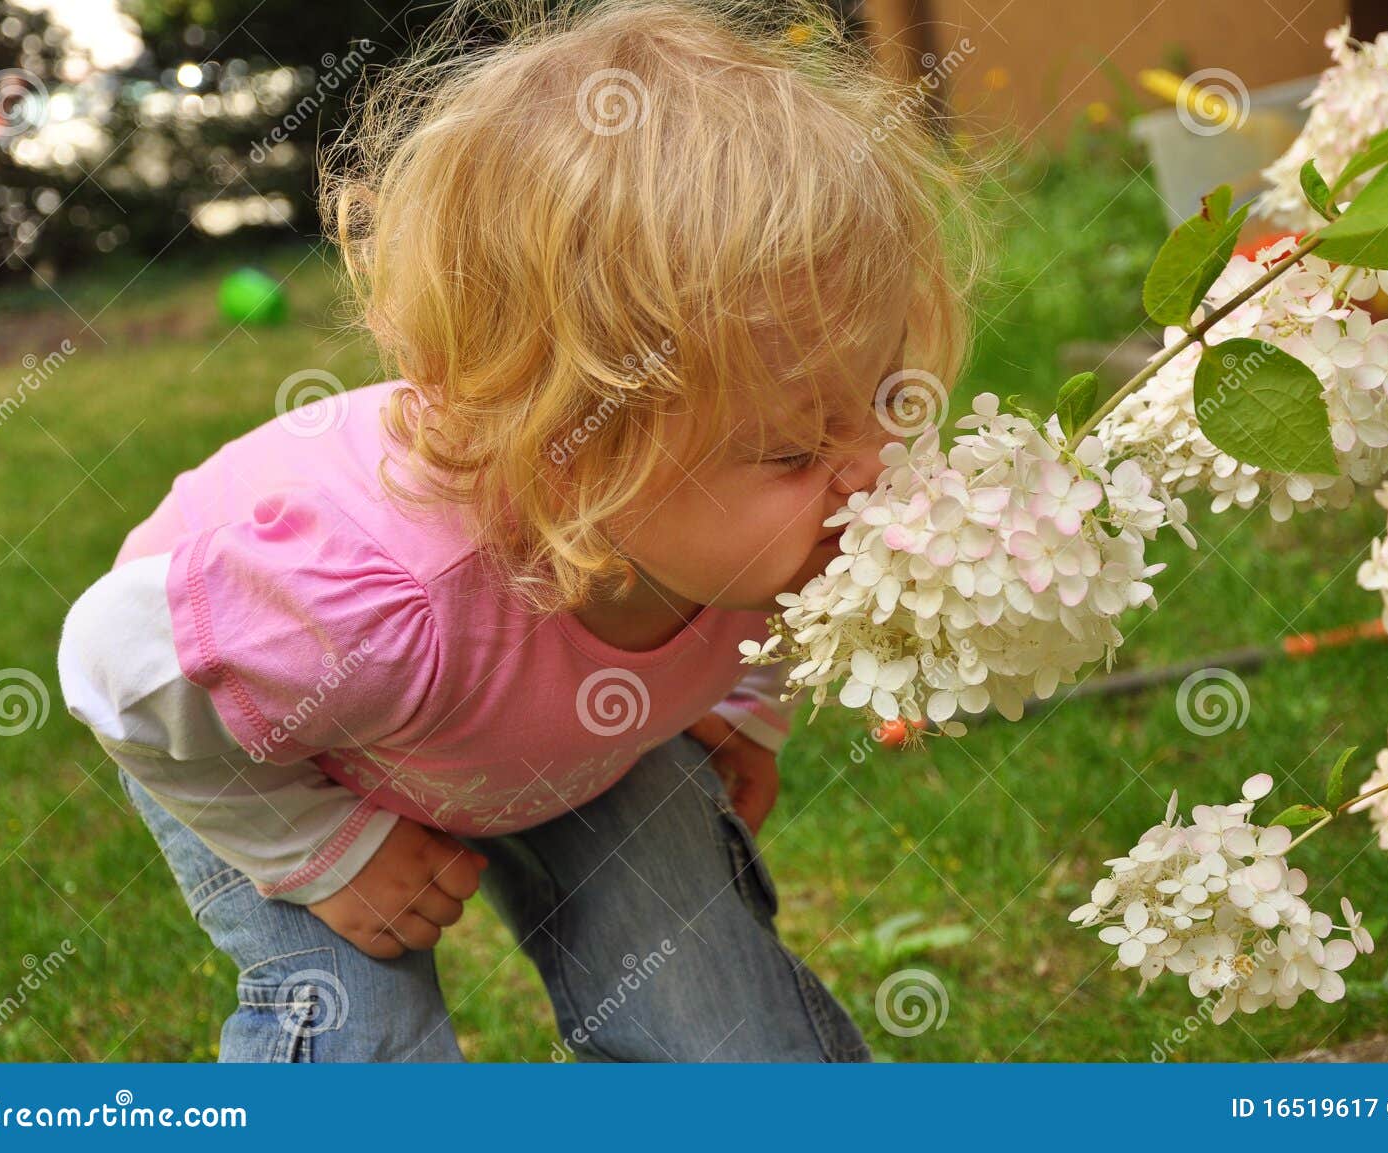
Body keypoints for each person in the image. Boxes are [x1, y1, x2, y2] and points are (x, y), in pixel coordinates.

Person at [57, 0, 977, 1061]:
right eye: (790, 451)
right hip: (290, 744)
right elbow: (115, 662)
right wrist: (320, 850)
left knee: (720, 1019)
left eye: (879, 396)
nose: (869, 468)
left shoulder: (775, 528)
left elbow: (774, 604)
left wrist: (738, 708)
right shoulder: (390, 596)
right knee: (366, 1030)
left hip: (548, 728)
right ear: (570, 454)